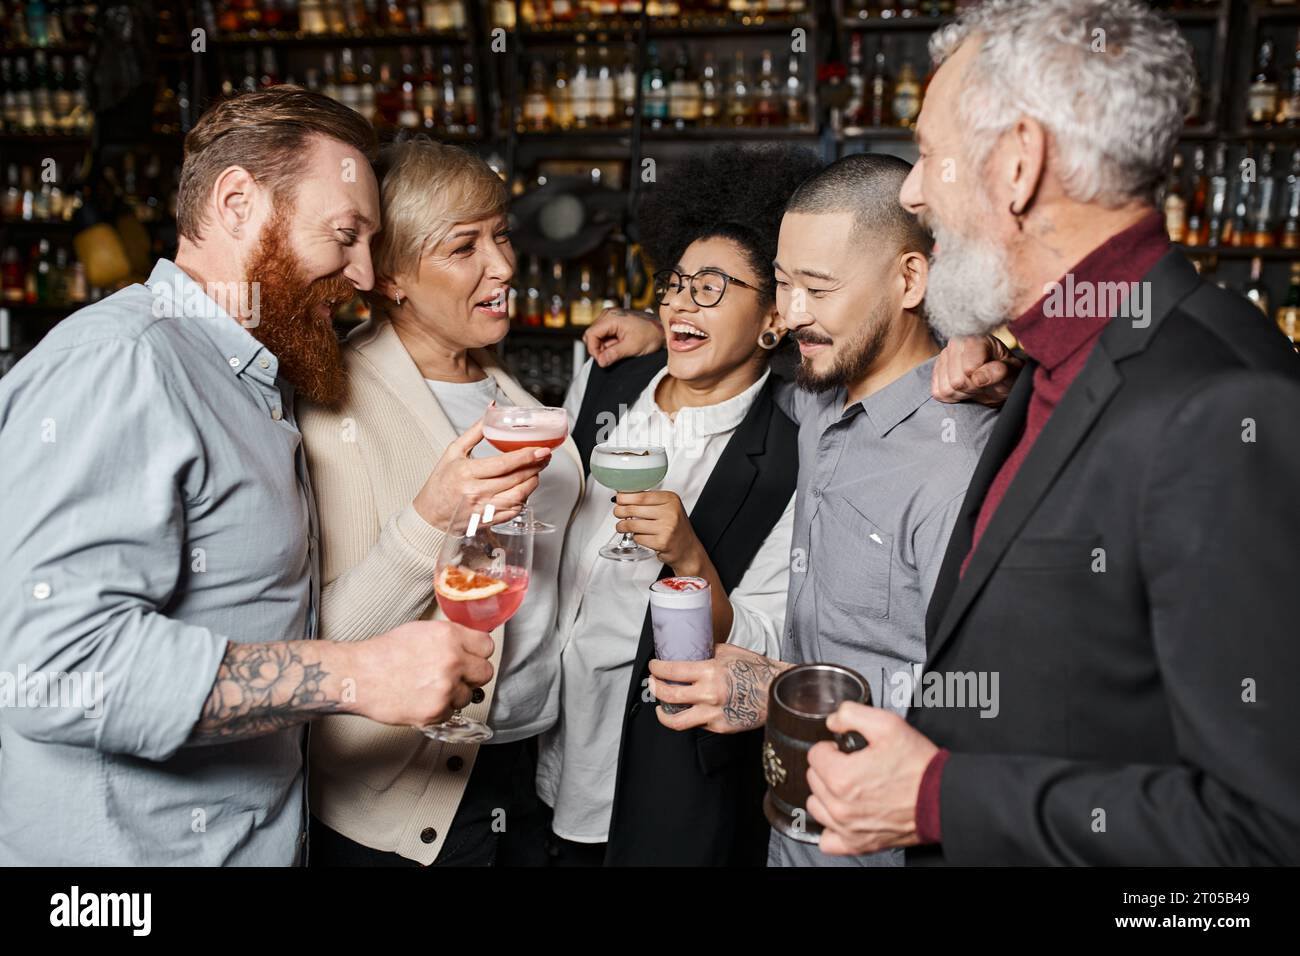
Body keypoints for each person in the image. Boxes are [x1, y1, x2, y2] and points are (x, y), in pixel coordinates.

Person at [808, 0, 1300, 865]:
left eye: (927, 155)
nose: (914, 194)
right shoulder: (1055, 355)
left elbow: (1266, 837)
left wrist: (936, 798)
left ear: (1017, 165)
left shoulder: (1224, 408)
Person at [0, 88, 496, 865]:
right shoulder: (124, 364)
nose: (364, 275)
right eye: (345, 235)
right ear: (237, 203)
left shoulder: (259, 378)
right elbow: (54, 669)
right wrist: (357, 675)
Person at [583, 153, 998, 867]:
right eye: (782, 285)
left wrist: (777, 693)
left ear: (909, 279)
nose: (794, 312)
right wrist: (661, 331)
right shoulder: (813, 398)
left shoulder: (957, 463)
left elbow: (984, 713)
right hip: (786, 835)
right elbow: (740, 346)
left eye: (818, 288)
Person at [299, 136, 585, 867]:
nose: (505, 266)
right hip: (407, 801)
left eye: (501, 235)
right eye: (465, 247)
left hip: (530, 771)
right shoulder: (337, 410)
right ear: (390, 275)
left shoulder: (511, 396)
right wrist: (428, 522)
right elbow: (320, 640)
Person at [534, 144, 821, 866]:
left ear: (773, 320)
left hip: (660, 773)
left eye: (714, 287)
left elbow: (763, 642)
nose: (682, 302)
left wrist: (688, 556)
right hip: (544, 740)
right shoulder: (608, 381)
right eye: (677, 283)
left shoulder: (791, 452)